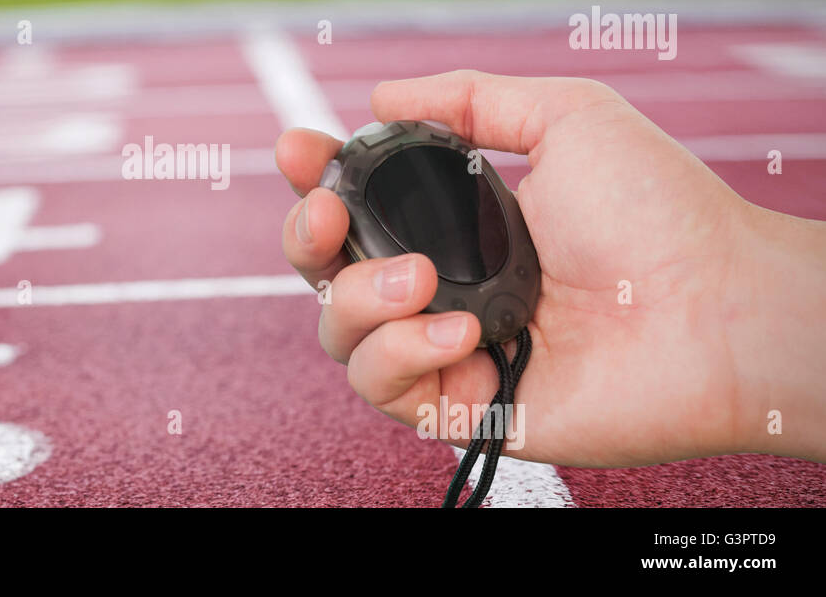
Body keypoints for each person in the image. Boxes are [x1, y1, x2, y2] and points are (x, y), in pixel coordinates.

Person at [276, 69, 826, 467]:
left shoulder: (397, 156)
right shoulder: (425, 148)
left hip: (505, 294)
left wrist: (718, 288)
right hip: (513, 293)